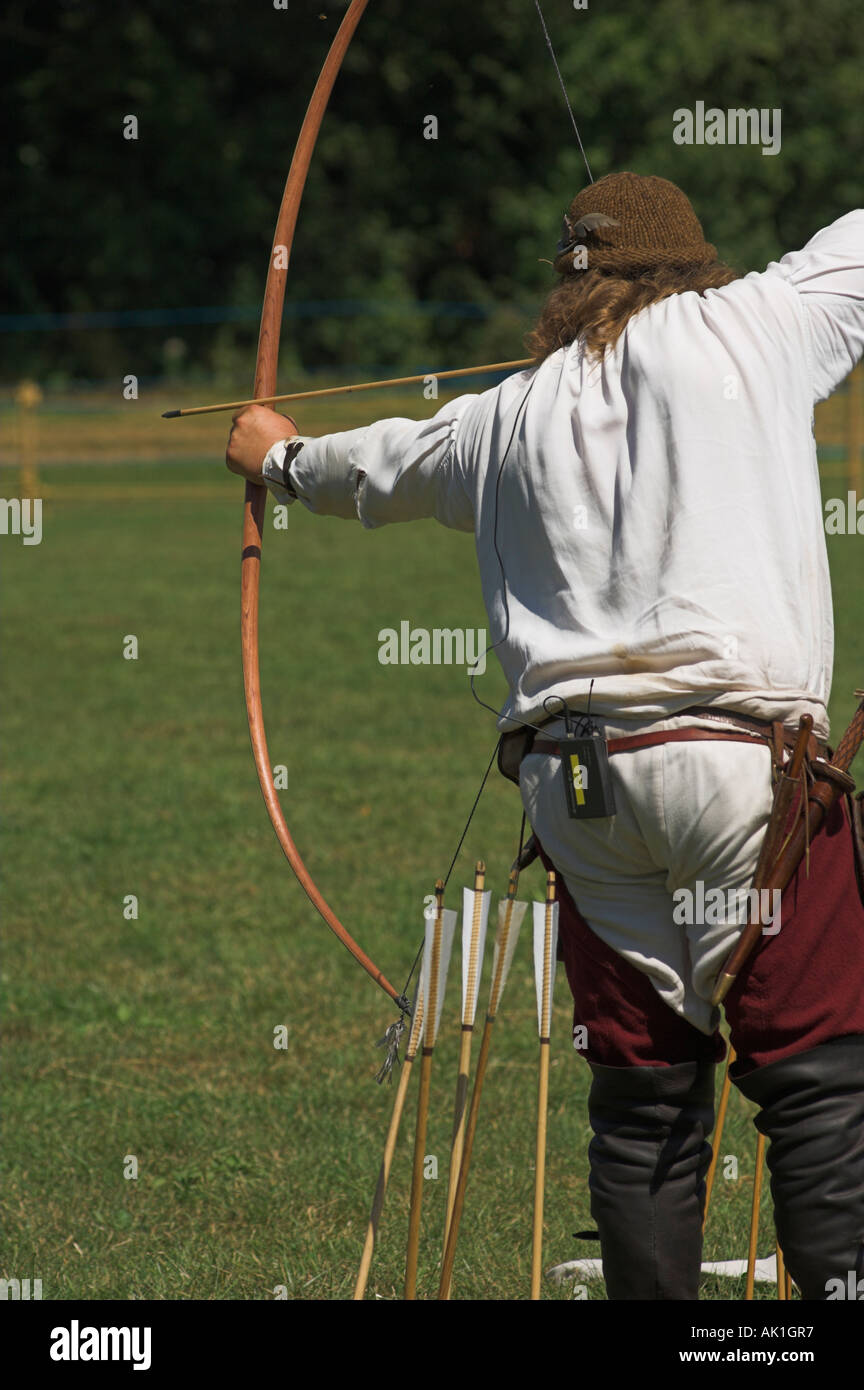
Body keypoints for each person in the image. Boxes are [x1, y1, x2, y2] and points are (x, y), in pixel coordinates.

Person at [226, 172, 864, 1301]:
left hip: (582, 798)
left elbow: (374, 468)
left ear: (567, 279)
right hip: (742, 781)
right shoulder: (764, 321)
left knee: (643, 1108)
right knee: (818, 1087)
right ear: (692, 260)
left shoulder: (504, 415)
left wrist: (277, 455)